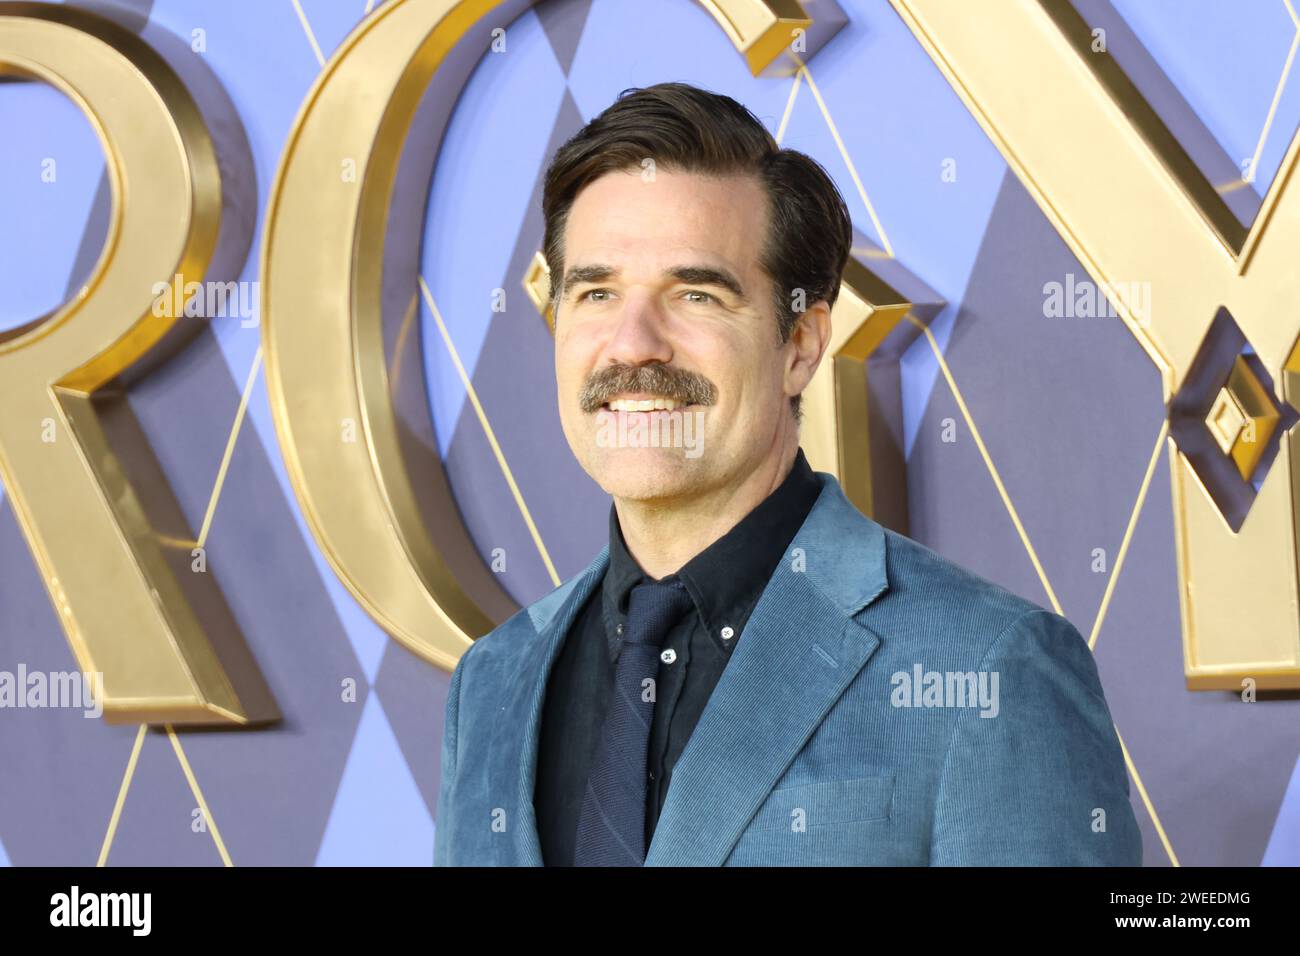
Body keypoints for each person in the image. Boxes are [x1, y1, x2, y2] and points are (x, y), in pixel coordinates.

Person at [433, 82, 1141, 866]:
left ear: (800, 345)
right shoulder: (492, 683)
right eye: (596, 292)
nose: (632, 344)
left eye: (695, 293)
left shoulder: (990, 668)